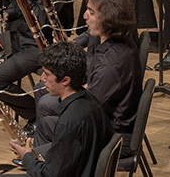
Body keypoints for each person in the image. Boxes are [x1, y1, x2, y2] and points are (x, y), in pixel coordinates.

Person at [35, 0, 140, 152]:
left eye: (91, 12)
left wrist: (61, 89)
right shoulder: (117, 42)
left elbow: (85, 110)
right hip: (103, 120)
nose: (84, 16)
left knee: (46, 105)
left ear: (108, 18)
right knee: (44, 122)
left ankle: (58, 161)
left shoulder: (109, 66)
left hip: (109, 135)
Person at [9, 41, 112, 177]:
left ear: (65, 80)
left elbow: (50, 174)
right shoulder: (89, 99)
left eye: (47, 74)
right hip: (81, 166)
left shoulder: (69, 120)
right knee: (44, 125)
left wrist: (27, 156)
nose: (43, 78)